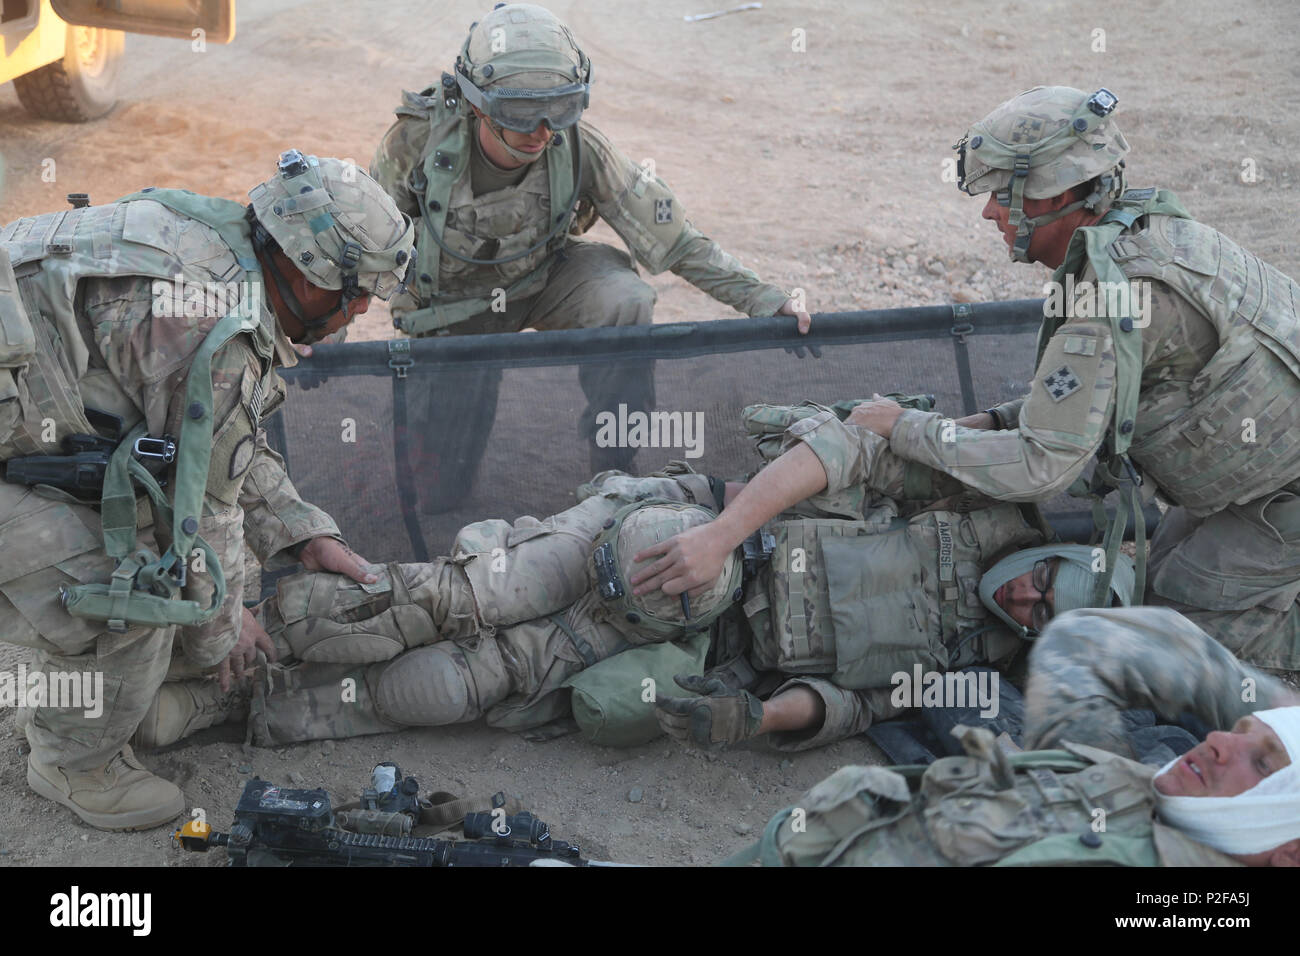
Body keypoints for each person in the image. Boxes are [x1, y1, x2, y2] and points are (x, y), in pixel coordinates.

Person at [635, 86, 1300, 674]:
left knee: (1180, 649)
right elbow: (1082, 408)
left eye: (1001, 195)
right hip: (1251, 479)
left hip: (1278, 498)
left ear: (1058, 195)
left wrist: (907, 428)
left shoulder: (1112, 297)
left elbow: (1042, 467)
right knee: (1156, 584)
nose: (990, 215)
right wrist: (977, 428)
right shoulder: (1156, 236)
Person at [130, 401, 1128, 753]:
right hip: (664, 534)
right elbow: (840, 444)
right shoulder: (964, 497)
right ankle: (211, 633)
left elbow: (861, 706)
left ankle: (224, 710)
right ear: (1046, 552)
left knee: (455, 686)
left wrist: (755, 720)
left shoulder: (968, 654)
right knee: (453, 599)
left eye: (1044, 617)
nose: (1028, 600)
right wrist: (723, 532)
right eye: (1045, 580)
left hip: (698, 635)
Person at [0, 150, 414, 830]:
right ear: (310, 272)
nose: (360, 310)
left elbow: (215, 443)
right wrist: (225, 630)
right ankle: (75, 764)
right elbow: (202, 525)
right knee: (144, 582)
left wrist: (301, 530)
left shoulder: (206, 237)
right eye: (356, 292)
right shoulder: (211, 326)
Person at [369, 2, 810, 471]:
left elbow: (674, 238)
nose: (542, 131)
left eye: (559, 108)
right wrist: (326, 339)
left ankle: (615, 464)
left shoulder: (579, 146)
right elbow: (361, 249)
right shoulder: (416, 145)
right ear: (478, 103)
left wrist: (764, 299)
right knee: (437, 488)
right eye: (521, 112)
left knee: (624, 300)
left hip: (542, 282)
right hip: (450, 312)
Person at [752, 606, 1300, 867]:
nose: (1222, 743)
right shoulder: (1157, 785)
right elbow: (1086, 641)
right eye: (1239, 732)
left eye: (1264, 764)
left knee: (959, 689)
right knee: (963, 686)